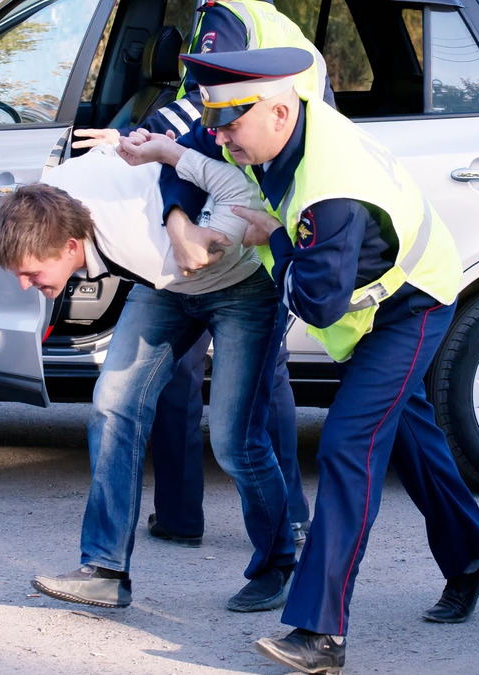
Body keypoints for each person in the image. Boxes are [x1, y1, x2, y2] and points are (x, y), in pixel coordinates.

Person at [123, 47, 479, 674]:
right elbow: (198, 148)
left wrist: (268, 237)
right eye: (215, 123)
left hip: (411, 306)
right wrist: (168, 155)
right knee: (408, 435)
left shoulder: (332, 195)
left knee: (347, 445)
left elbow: (317, 306)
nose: (219, 137)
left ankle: (319, 632)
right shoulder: (275, 122)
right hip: (377, 298)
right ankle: (473, 557)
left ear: (278, 111)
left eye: (229, 126)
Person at [0, 143, 296, 612]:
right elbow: (129, 158)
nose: (25, 285)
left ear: (70, 246)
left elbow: (235, 187)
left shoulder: (139, 243)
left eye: (32, 273)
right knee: (113, 409)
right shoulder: (61, 188)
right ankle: (105, 570)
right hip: (165, 291)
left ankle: (278, 565)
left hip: (240, 289)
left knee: (236, 440)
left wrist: (217, 231)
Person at [72, 0, 331, 549]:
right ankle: (267, 522)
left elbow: (206, 115)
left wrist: (142, 140)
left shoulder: (223, 16)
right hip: (252, 196)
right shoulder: (258, 15)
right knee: (252, 388)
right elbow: (203, 132)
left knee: (229, 406)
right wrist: (174, 213)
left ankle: (221, 522)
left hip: (252, 216)